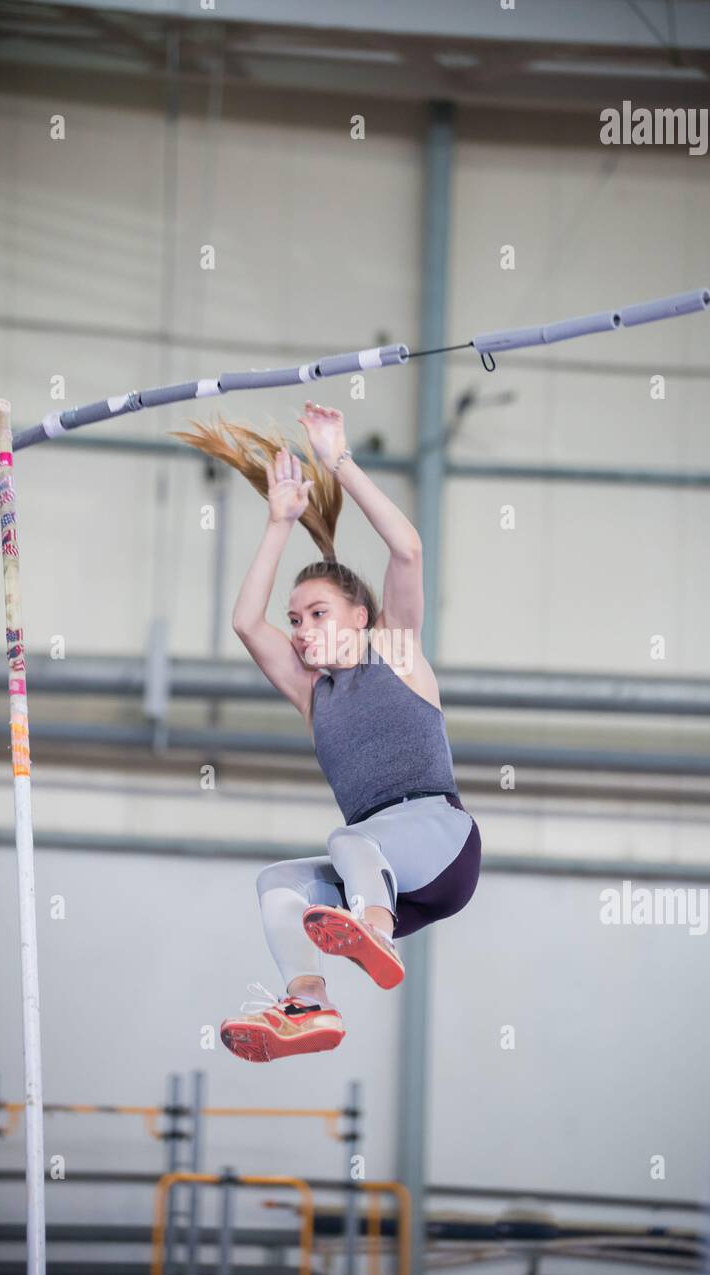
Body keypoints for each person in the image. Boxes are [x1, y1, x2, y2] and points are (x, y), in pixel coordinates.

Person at [171, 402, 481, 1062]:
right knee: (278, 884)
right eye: (297, 618)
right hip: (384, 873)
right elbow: (247, 623)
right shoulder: (316, 695)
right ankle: (309, 1003)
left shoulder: (395, 650)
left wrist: (339, 459)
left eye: (317, 614)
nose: (302, 630)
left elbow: (407, 548)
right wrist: (279, 521)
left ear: (362, 616)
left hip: (440, 844)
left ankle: (373, 928)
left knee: (350, 840)